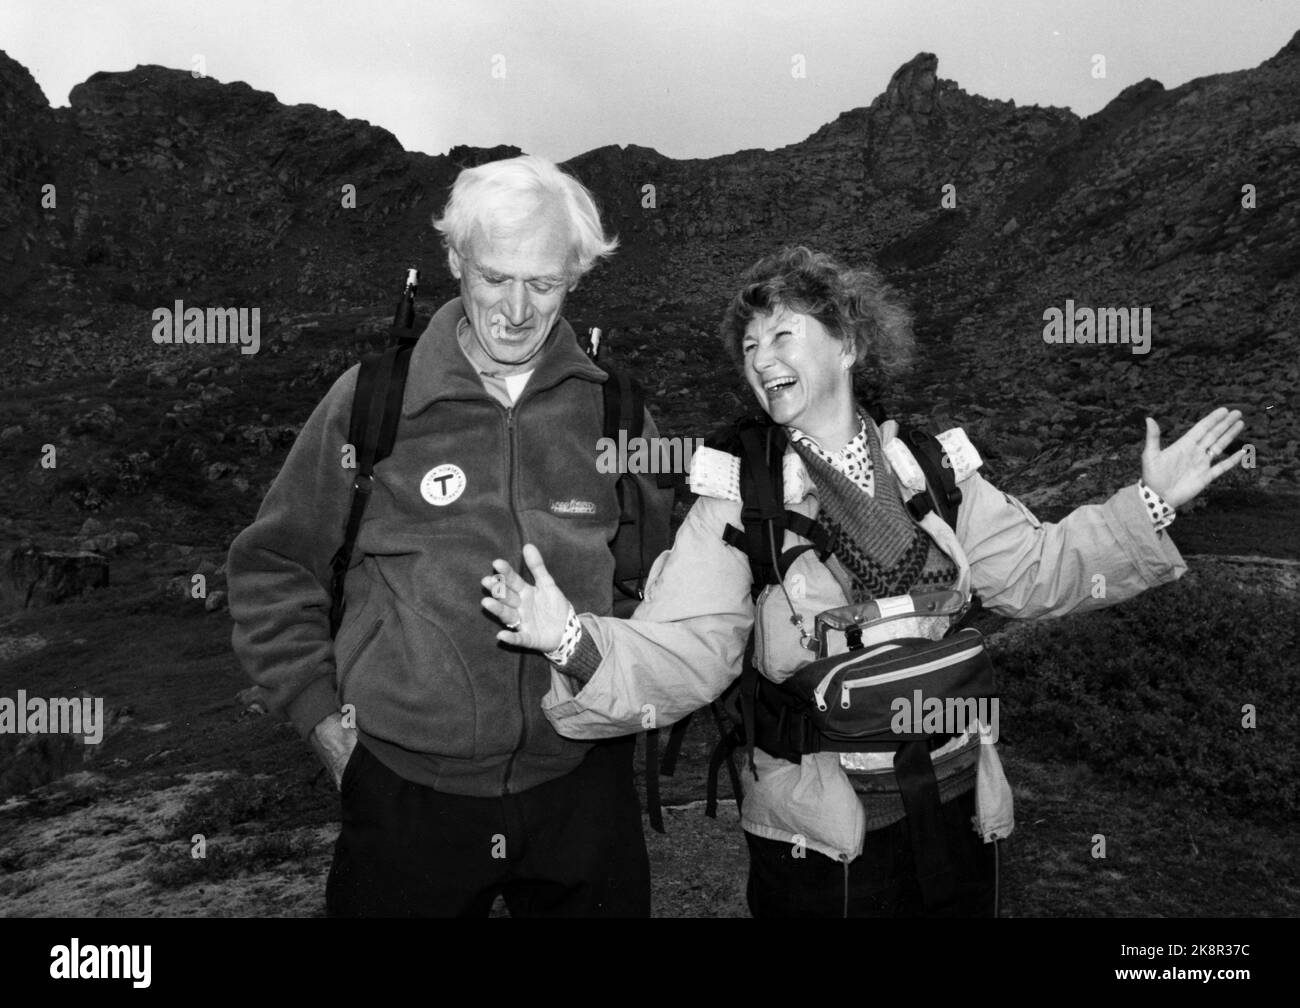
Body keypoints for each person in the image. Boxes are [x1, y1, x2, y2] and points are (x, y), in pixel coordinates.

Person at [482, 245, 1247, 917]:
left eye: (783, 333)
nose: (761, 358)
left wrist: (1150, 503)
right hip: (821, 845)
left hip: (958, 811)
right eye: (749, 346)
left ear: (847, 343)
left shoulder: (933, 467)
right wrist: (575, 643)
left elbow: (1038, 573)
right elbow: (687, 650)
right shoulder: (737, 494)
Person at [227, 155, 668, 917]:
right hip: (406, 794)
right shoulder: (372, 403)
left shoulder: (617, 414)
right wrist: (326, 728)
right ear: (456, 261)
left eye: (544, 284)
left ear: (576, 277)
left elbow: (665, 583)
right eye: (496, 277)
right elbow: (274, 565)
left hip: (584, 786)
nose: (518, 312)